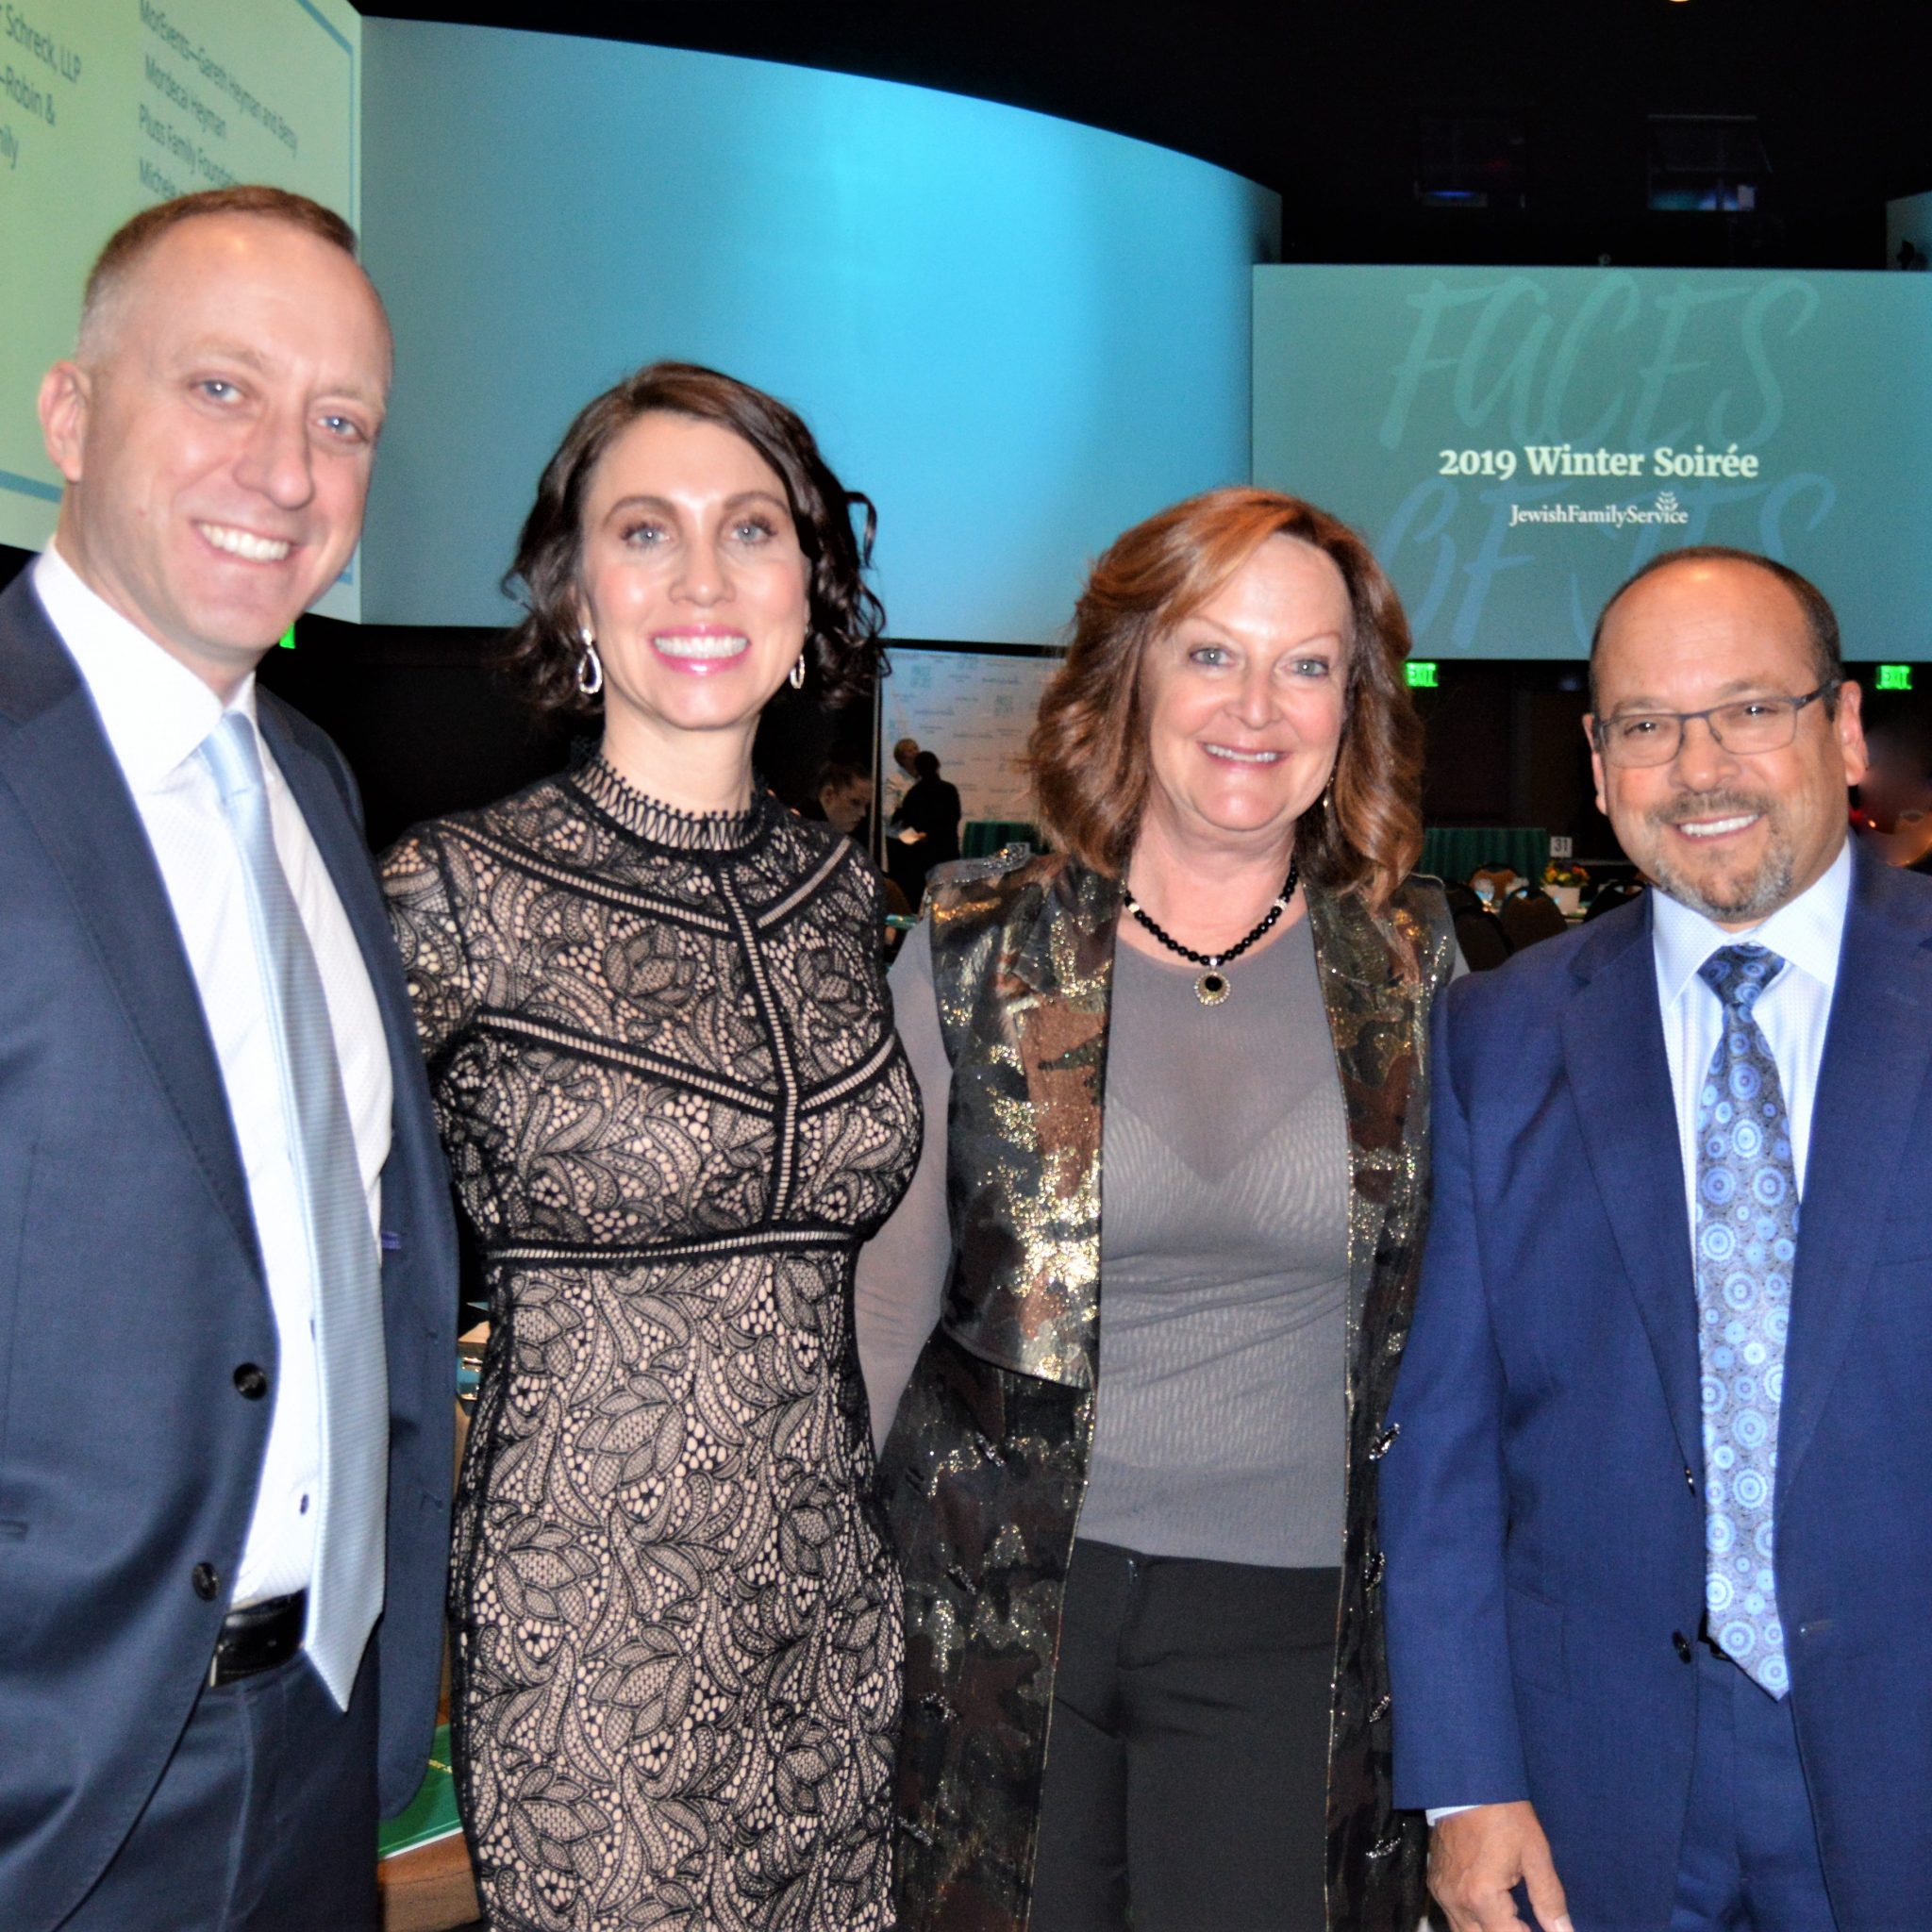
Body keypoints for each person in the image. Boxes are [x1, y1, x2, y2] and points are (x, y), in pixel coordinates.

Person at [858, 487, 1457, 1932]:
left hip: (1287, 1635)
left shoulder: (1417, 973)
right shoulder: (971, 950)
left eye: (1307, 664)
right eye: (1210, 652)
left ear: (1352, 704)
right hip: (995, 1624)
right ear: (1127, 674)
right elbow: (879, 1321)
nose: (1257, 705)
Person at [380, 361, 920, 1931]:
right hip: (586, 1630)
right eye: (643, 530)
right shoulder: (453, 890)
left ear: (810, 588)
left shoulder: (840, 898)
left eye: (749, 529)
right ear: (573, 590)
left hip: (830, 1616)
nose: (698, 578)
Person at [0, 187, 458, 1930]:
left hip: (317, 1754)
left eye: (340, 422)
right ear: (69, 414)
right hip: (56, 1790)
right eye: (220, 391)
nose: (286, 468)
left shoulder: (316, 790)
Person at [1383, 545, 1932, 1931]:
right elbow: (1445, 1446)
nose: (1700, 769)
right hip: (1591, 1796)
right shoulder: (1498, 1035)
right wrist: (1464, 1786)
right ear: (1596, 755)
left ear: (1846, 726)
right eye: (1647, 725)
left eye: (1751, 708)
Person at [886, 746, 963, 904]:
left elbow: (907, 821)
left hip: (921, 855)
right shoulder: (949, 790)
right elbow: (954, 817)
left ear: (917, 770)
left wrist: (925, 834)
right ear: (937, 765)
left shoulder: (914, 793)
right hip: (946, 851)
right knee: (948, 899)